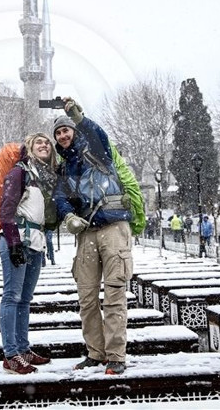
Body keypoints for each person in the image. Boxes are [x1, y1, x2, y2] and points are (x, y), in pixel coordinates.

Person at [52, 97, 133, 376]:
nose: (63, 136)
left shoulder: (96, 152)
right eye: (58, 133)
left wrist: (76, 115)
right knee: (86, 296)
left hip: (112, 227)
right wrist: (68, 215)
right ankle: (95, 353)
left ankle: (116, 355)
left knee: (113, 294)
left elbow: (97, 133)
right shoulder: (65, 168)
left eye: (66, 130)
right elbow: (60, 197)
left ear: (73, 131)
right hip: (86, 231)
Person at [0, 132, 58, 374]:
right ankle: (10, 354)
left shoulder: (45, 177)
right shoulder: (19, 172)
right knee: (12, 296)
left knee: (25, 299)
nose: (45, 145)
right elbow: (6, 209)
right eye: (39, 142)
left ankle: (22, 349)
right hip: (18, 239)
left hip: (34, 242)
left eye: (47, 143)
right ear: (30, 149)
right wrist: (13, 243)